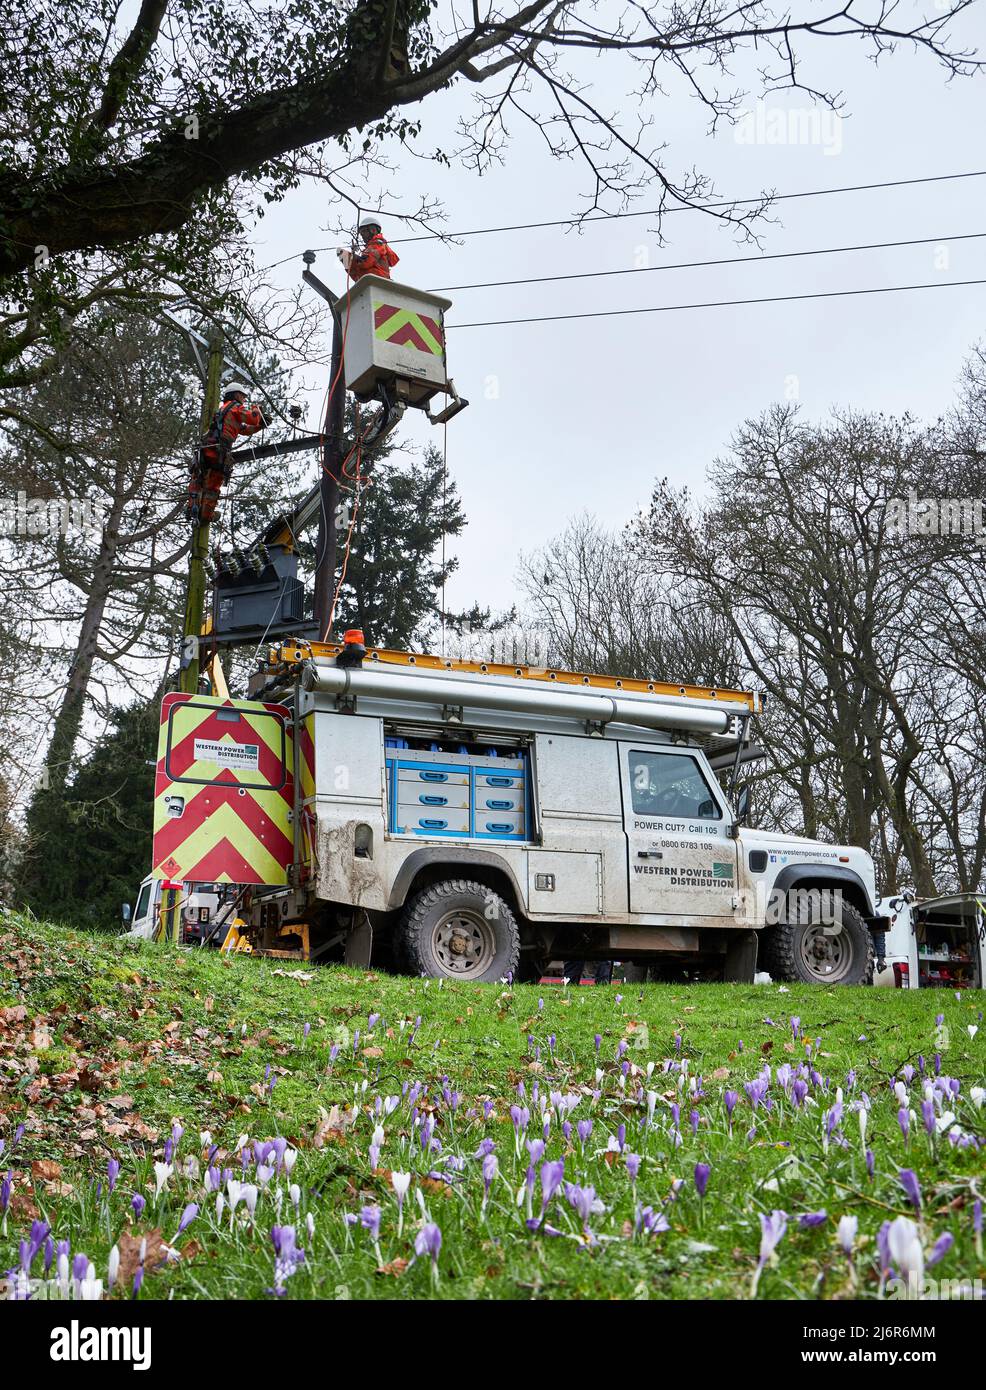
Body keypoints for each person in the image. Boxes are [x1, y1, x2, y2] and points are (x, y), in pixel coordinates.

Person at [187, 383, 266, 524]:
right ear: (236, 395)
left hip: (206, 450)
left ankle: (192, 507)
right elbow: (253, 418)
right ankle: (205, 515)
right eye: (243, 396)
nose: (244, 399)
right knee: (213, 486)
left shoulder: (223, 411)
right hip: (219, 452)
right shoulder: (235, 407)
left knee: (198, 479)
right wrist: (257, 409)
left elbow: (245, 429)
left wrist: (260, 426)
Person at [339, 217, 399, 282]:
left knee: (342, 254)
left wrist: (353, 257)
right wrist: (350, 257)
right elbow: (358, 269)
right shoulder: (373, 246)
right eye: (361, 233)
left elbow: (365, 262)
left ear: (373, 230)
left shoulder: (377, 244)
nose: (362, 235)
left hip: (376, 279)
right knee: (343, 254)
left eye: (364, 231)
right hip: (370, 279)